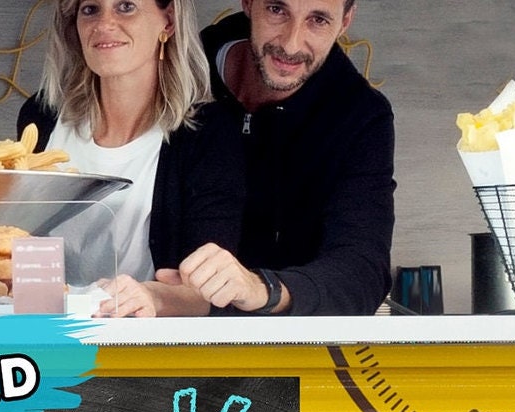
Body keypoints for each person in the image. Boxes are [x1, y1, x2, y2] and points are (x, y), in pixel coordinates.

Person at [156, 0, 394, 315]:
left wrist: (262, 288)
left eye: (318, 19)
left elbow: (362, 271)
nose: (291, 43)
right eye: (277, 10)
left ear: (346, 20)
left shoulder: (360, 116)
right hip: (138, 329)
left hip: (285, 349)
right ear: (248, 3)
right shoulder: (173, 69)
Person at [18, 0, 245, 317]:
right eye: (91, 9)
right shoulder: (42, 116)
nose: (104, 23)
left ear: (168, 22)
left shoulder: (209, 133)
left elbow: (206, 292)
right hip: (44, 335)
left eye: (125, 7)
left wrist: (152, 297)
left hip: (145, 349)